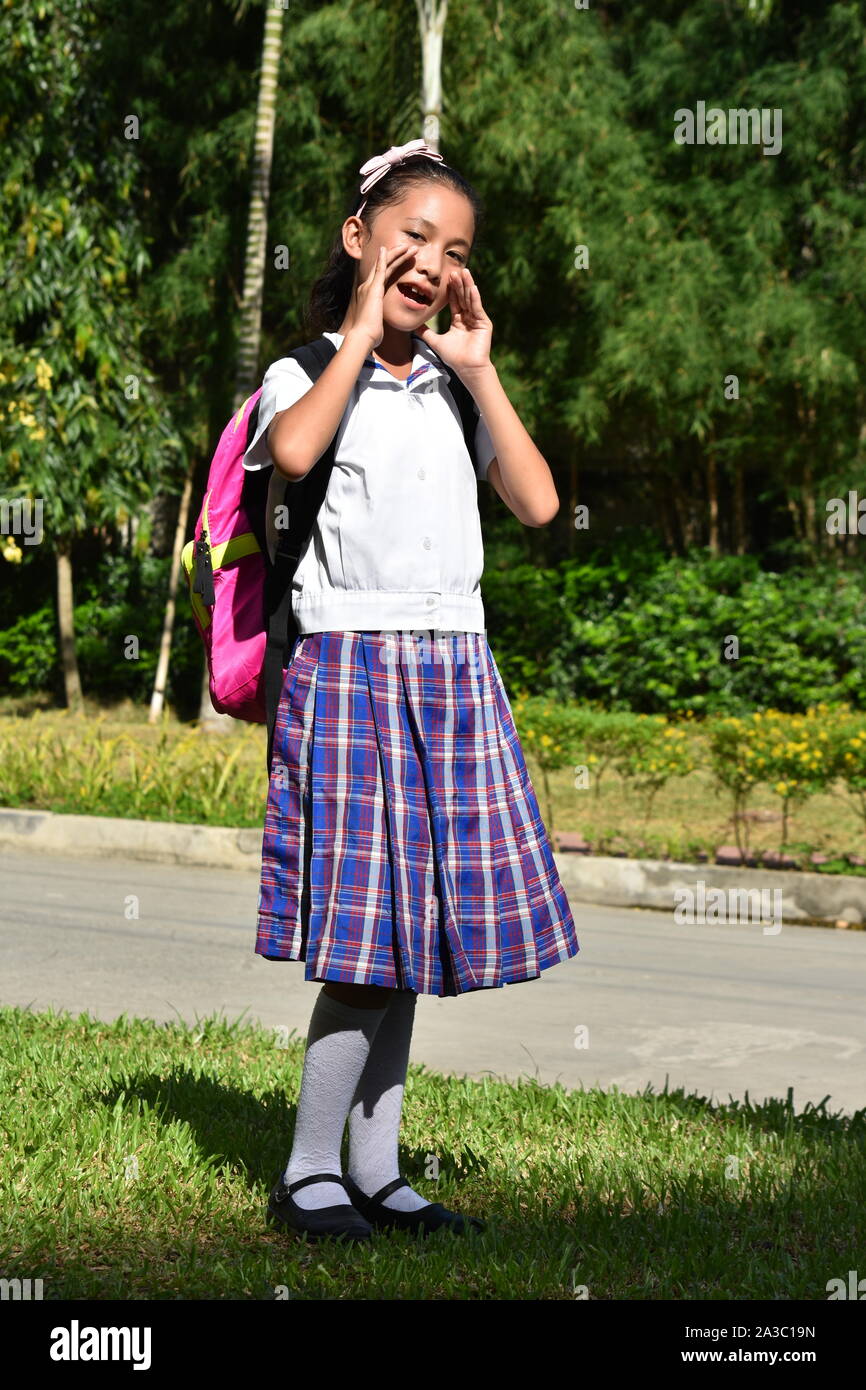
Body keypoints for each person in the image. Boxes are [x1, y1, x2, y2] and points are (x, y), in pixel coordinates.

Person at [242, 139, 580, 1243]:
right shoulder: (304, 373)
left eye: (457, 248)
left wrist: (479, 366)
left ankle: (377, 1173)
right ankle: (307, 1172)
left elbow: (535, 504)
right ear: (357, 238)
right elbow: (291, 454)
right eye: (412, 237)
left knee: (411, 943)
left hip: (452, 672)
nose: (433, 261)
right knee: (363, 945)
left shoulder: (449, 384)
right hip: (351, 671)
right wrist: (352, 337)